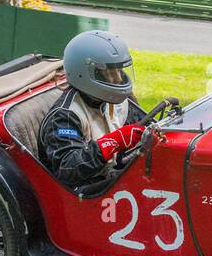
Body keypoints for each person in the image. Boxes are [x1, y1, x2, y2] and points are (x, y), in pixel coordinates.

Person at [39, 31, 149, 189]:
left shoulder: (117, 100)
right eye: (110, 72)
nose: (118, 79)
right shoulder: (65, 116)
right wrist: (111, 143)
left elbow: (144, 127)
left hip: (113, 177)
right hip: (86, 191)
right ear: (86, 73)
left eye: (119, 70)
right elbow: (68, 169)